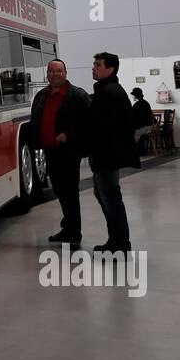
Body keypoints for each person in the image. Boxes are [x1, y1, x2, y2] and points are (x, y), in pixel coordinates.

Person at [28, 59, 91, 246]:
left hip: (69, 152)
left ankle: (74, 233)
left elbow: (89, 121)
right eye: (51, 71)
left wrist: (68, 134)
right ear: (47, 74)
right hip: (49, 150)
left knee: (70, 191)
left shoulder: (77, 95)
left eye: (58, 71)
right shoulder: (41, 95)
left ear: (65, 73)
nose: (55, 74)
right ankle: (68, 227)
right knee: (59, 189)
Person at [87, 52, 139, 253]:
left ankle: (120, 244)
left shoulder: (110, 92)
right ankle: (115, 241)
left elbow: (104, 128)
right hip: (105, 155)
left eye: (98, 64)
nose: (93, 67)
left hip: (107, 156)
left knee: (111, 199)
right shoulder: (107, 90)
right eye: (94, 64)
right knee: (105, 196)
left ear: (110, 69)